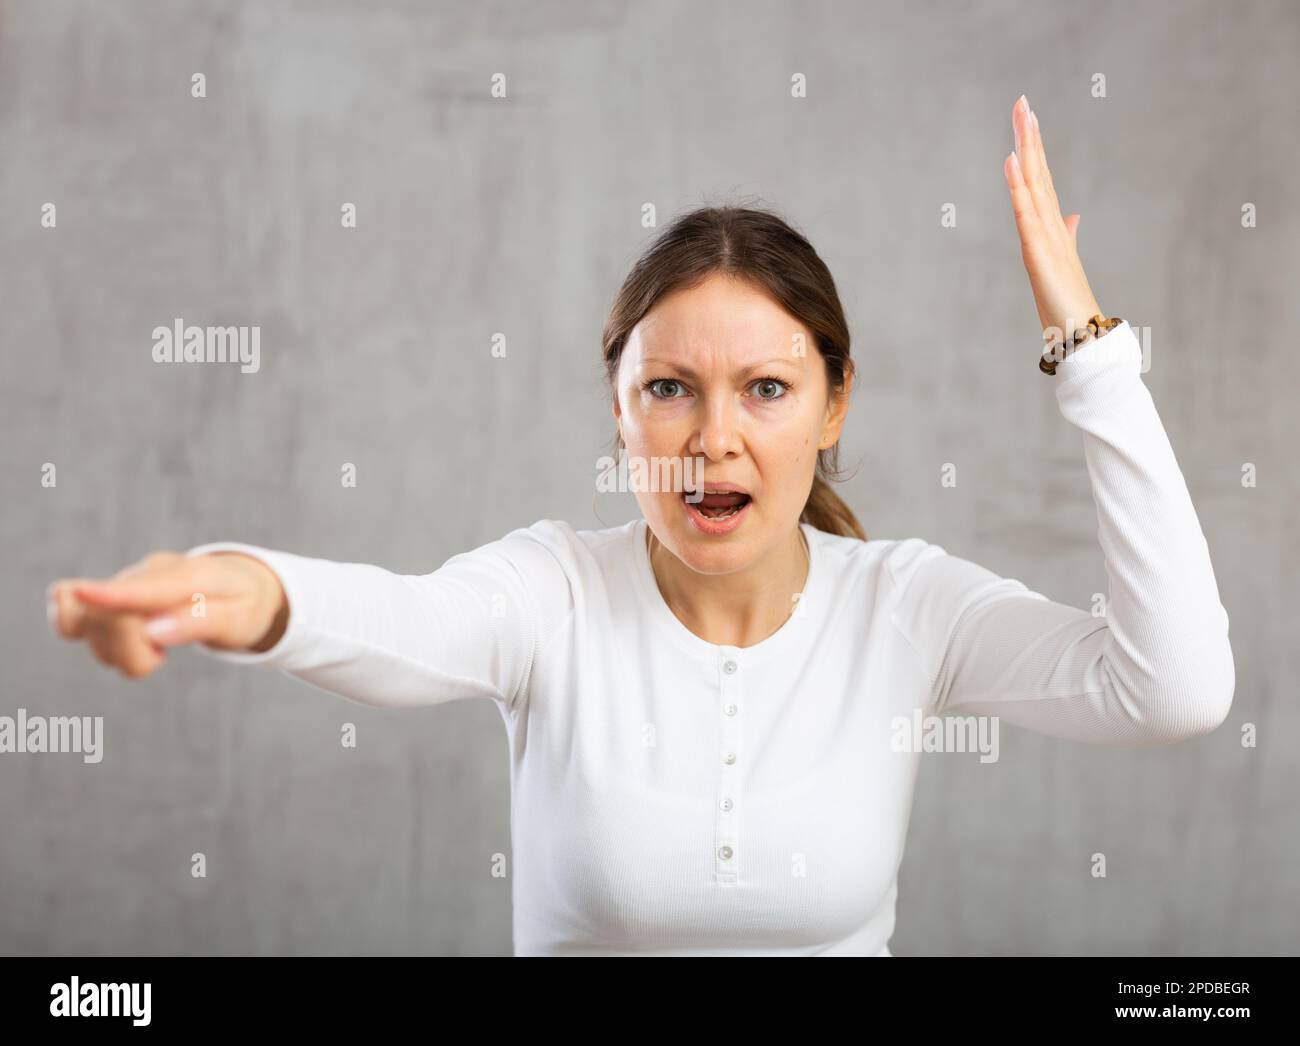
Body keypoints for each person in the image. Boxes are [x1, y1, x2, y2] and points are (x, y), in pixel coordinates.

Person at [46, 96, 1234, 956]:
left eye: (766, 389)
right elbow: (393, 618)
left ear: (834, 404)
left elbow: (1171, 687)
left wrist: (1092, 361)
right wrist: (217, 588)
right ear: (617, 412)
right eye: (669, 388)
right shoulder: (553, 593)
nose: (713, 438)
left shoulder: (905, 607)